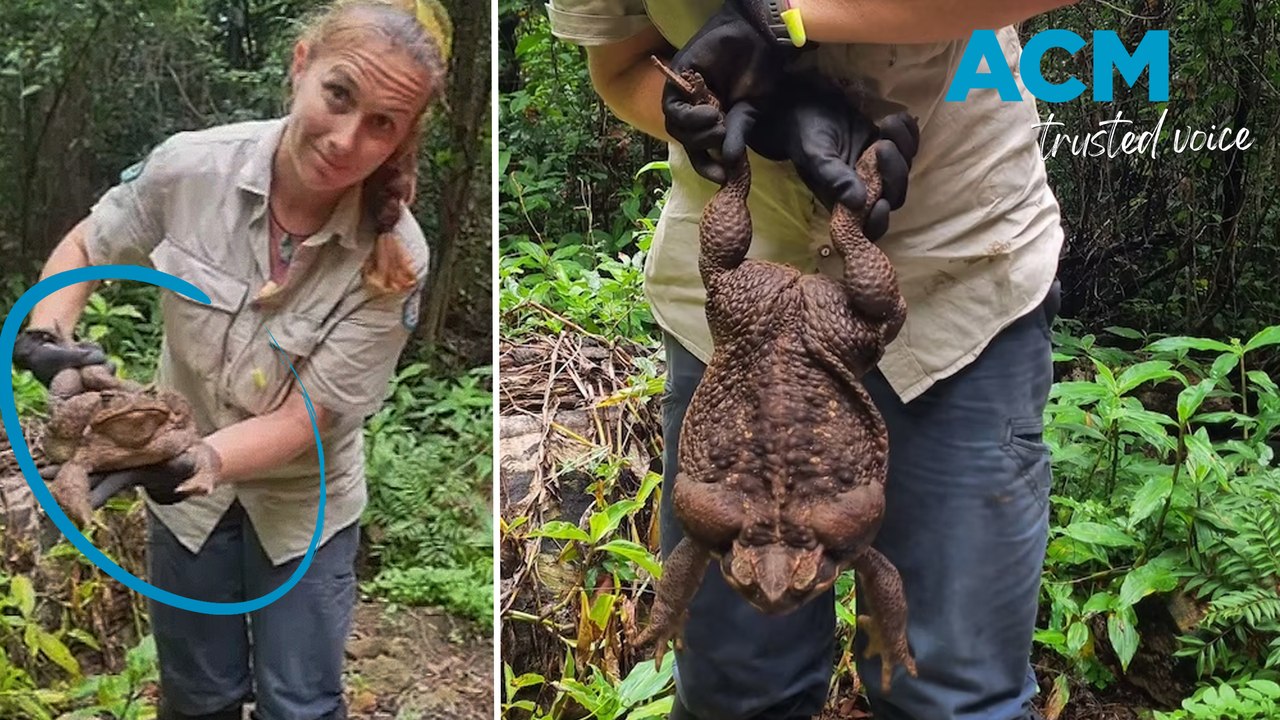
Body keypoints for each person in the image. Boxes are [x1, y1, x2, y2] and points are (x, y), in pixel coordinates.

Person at [543, 1, 1071, 719]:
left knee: (955, 693)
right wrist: (730, 118)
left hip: (957, 270)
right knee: (734, 694)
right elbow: (621, 65)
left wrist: (784, 18)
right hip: (736, 308)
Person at [12, 1, 449, 718]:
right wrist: (53, 341)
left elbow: (317, 412)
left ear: (403, 135)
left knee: (300, 702)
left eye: (382, 124)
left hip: (305, 505)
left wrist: (198, 460)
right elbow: (90, 245)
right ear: (301, 65)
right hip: (185, 510)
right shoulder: (191, 168)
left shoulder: (396, 257)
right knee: (197, 696)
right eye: (339, 95)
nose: (345, 140)